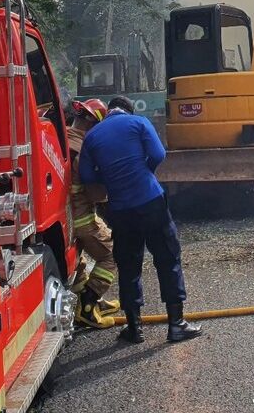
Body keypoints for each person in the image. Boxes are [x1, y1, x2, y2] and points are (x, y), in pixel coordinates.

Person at [78, 96, 202, 344]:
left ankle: (135, 328)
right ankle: (176, 324)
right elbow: (158, 153)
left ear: (109, 111)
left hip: (121, 209)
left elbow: (86, 175)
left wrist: (113, 180)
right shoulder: (139, 122)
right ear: (127, 110)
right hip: (151, 202)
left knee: (128, 265)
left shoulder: (91, 137)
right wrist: (143, 172)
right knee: (167, 258)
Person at [66, 98, 121, 328]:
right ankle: (88, 305)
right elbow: (96, 194)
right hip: (81, 217)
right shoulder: (83, 151)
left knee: (77, 260)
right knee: (111, 254)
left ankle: (85, 301)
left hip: (66, 219)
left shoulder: (62, 139)